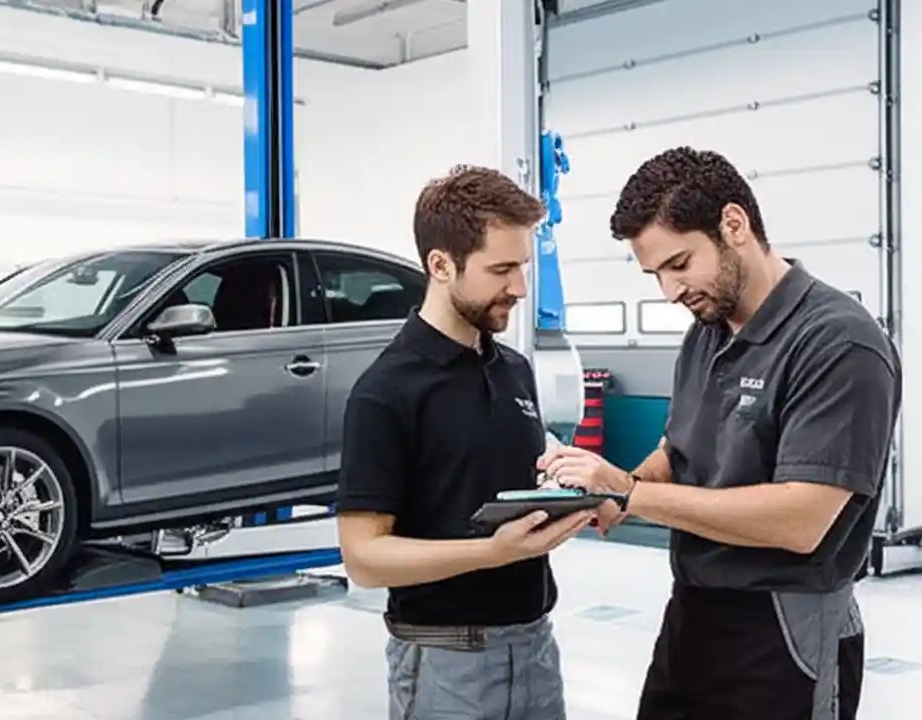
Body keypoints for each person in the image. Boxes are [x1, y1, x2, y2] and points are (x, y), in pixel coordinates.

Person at [538, 146, 901, 720]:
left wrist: (633, 493)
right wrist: (615, 494)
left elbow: (801, 519)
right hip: (693, 615)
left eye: (679, 264)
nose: (669, 291)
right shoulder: (705, 334)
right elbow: (677, 451)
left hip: (786, 626)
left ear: (734, 225)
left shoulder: (838, 343)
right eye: (655, 274)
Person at [336, 164, 596, 720]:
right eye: (501, 269)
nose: (520, 288)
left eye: (522, 267)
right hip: (446, 665)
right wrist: (492, 553)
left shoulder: (515, 372)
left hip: (535, 650)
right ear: (440, 265)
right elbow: (363, 556)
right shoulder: (386, 392)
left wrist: (566, 490)